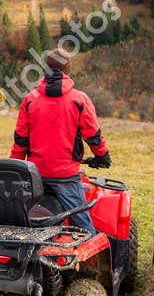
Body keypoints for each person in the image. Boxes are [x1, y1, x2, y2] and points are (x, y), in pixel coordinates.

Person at [9, 48, 110, 231]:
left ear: (45, 69)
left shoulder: (30, 100)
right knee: (83, 224)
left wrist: (15, 167)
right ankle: (91, 256)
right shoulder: (79, 99)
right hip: (66, 176)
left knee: (24, 222)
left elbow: (21, 140)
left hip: (35, 175)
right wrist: (102, 155)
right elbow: (93, 136)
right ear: (68, 70)